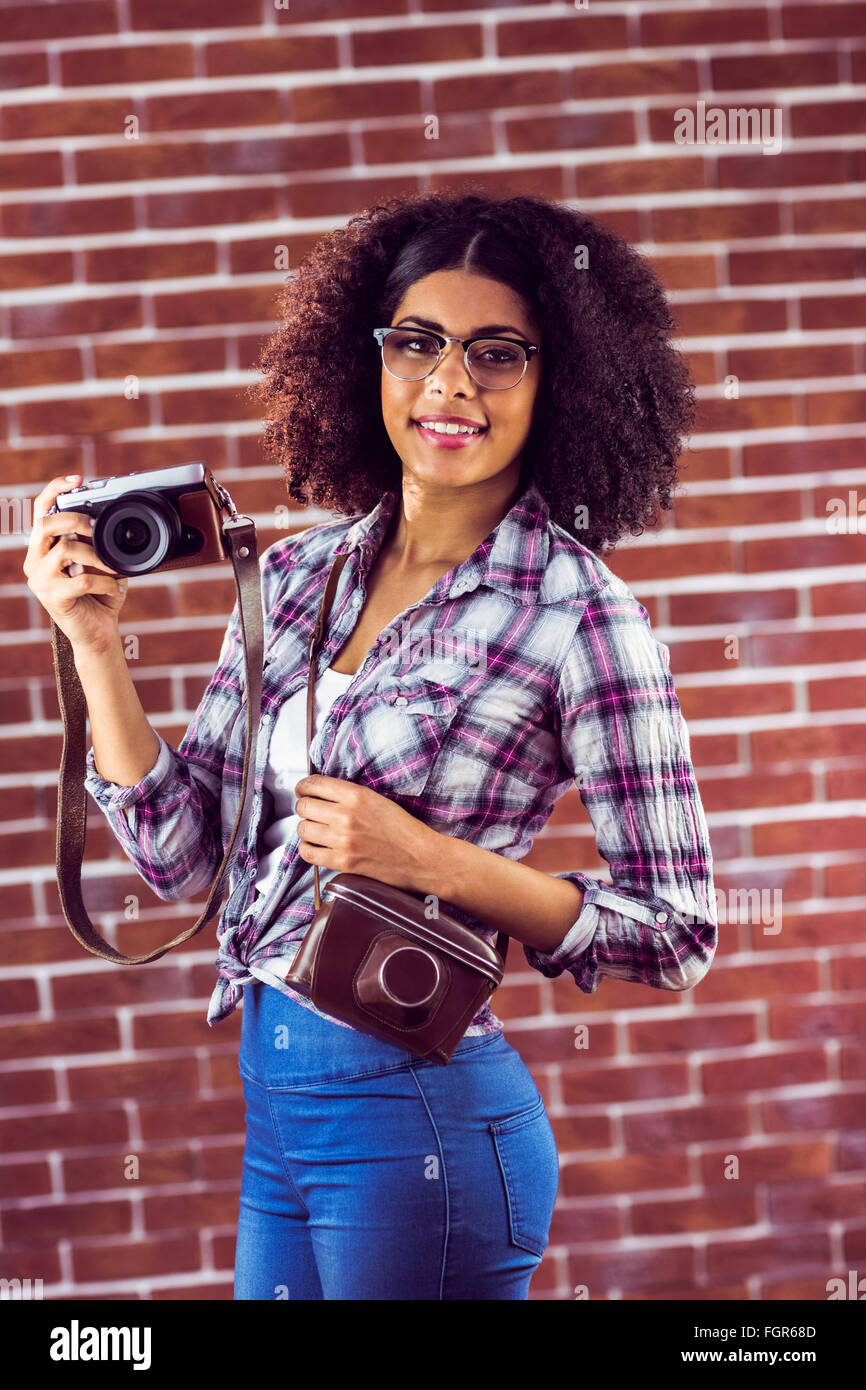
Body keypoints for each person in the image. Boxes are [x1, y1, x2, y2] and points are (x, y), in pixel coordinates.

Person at [24, 188, 717, 1301]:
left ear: (559, 381)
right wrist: (96, 647)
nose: (448, 382)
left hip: (419, 1122)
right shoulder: (296, 577)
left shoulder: (578, 614)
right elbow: (181, 862)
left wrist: (433, 862)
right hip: (277, 1109)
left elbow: (674, 929)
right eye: (417, 343)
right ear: (370, 361)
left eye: (496, 353)